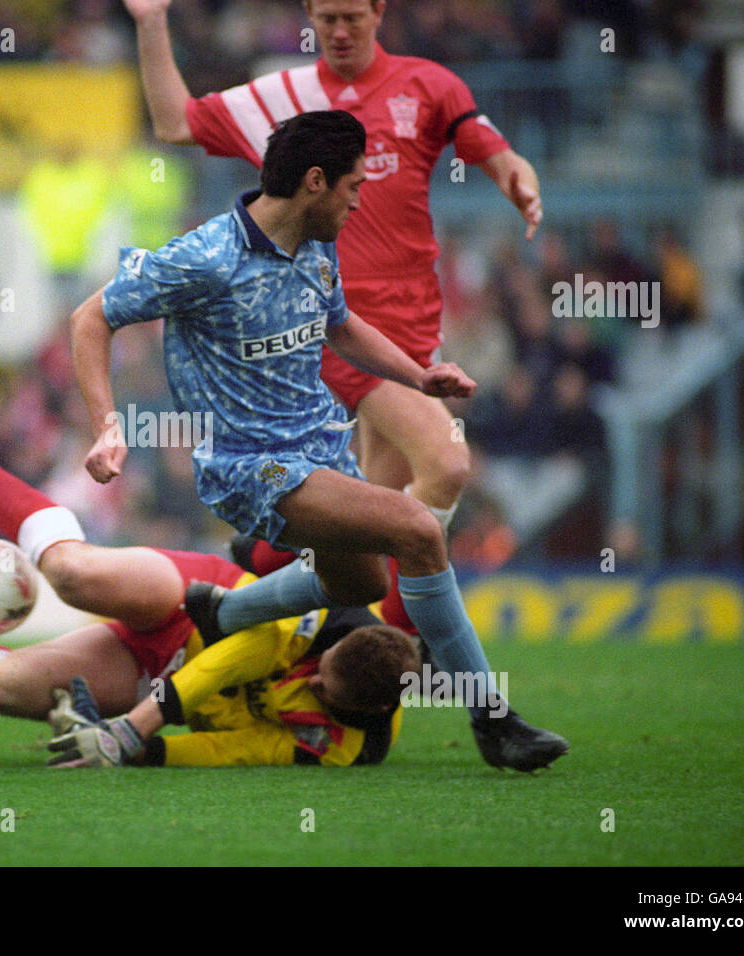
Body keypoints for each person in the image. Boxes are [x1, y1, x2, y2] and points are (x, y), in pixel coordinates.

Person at [71, 110, 566, 771]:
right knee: (416, 531)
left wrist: (420, 375)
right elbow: (89, 318)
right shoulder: (204, 259)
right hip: (250, 466)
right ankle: (492, 718)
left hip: (321, 451)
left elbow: (340, 325)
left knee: (357, 582)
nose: (360, 199)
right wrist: (108, 426)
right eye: (354, 186)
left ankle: (224, 613)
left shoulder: (315, 241)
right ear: (314, 181)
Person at [122, 0, 544, 634]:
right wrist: (152, 22)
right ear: (310, 18)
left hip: (413, 333)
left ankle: (265, 573)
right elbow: (175, 123)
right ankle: (408, 646)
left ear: (379, 11)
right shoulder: (283, 98)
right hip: (338, 334)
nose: (340, 31)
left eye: (352, 16)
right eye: (326, 19)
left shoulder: (428, 84)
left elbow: (489, 146)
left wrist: (513, 171)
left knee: (369, 519)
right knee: (448, 464)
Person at [0, 410, 421, 768]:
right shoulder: (337, 621)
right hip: (205, 604)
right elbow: (225, 663)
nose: (313, 678)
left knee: (2, 688)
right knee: (75, 576)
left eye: (324, 691)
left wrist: (143, 751)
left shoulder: (352, 748)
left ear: (371, 708)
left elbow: (242, 750)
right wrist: (134, 728)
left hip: (151, 677)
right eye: (324, 667)